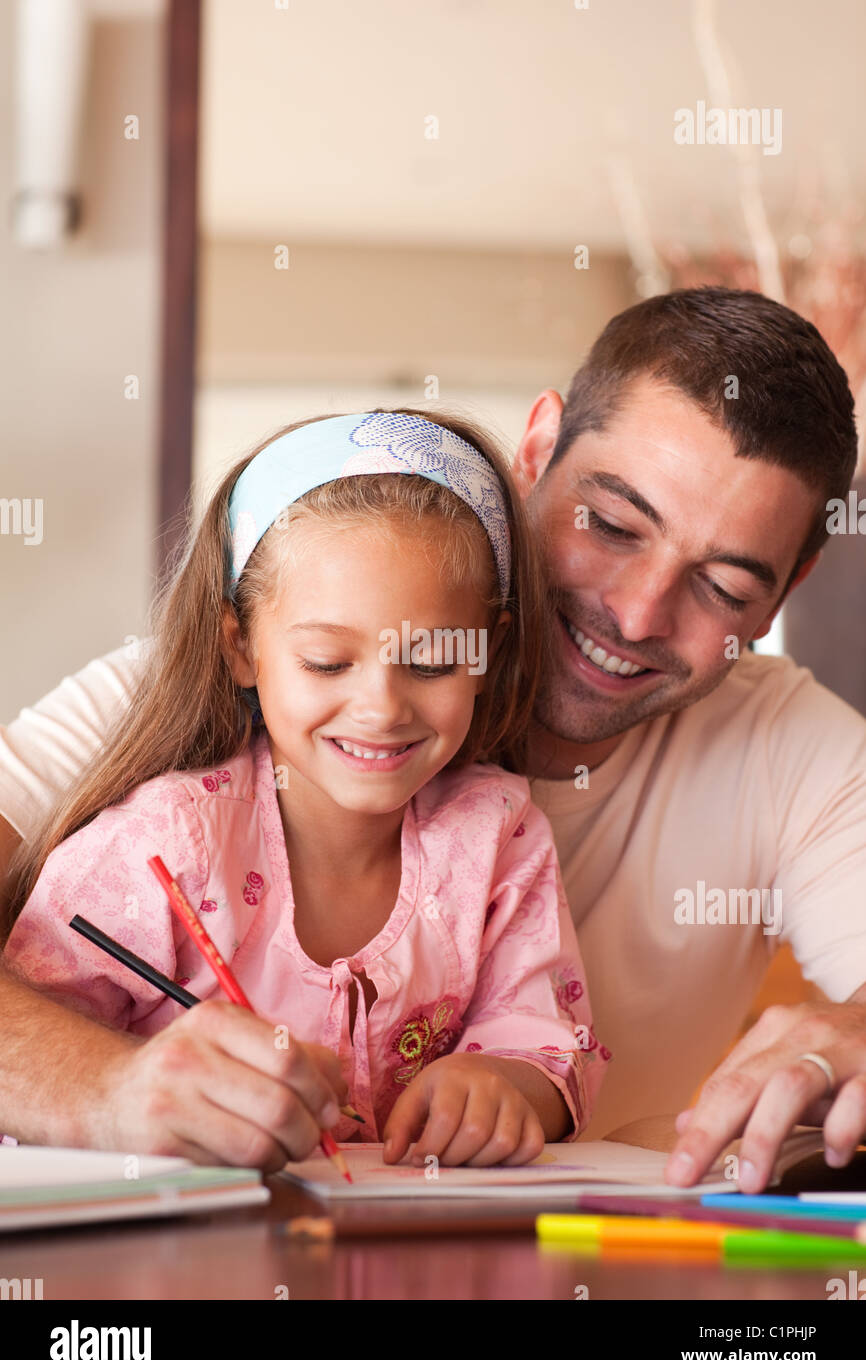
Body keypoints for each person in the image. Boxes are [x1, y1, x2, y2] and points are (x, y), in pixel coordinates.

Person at [2, 287, 865, 1191]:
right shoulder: (178, 713)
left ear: (792, 585)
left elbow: (544, 1043)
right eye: (610, 526)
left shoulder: (783, 752)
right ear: (538, 451)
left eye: (724, 587)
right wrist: (109, 1087)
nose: (638, 613)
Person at [0, 408, 606, 1170]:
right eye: (327, 662)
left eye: (431, 663)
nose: (382, 708)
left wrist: (503, 1083)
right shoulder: (164, 842)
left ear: (490, 650)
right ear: (241, 647)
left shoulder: (497, 833)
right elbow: (30, 1083)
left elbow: (550, 1042)